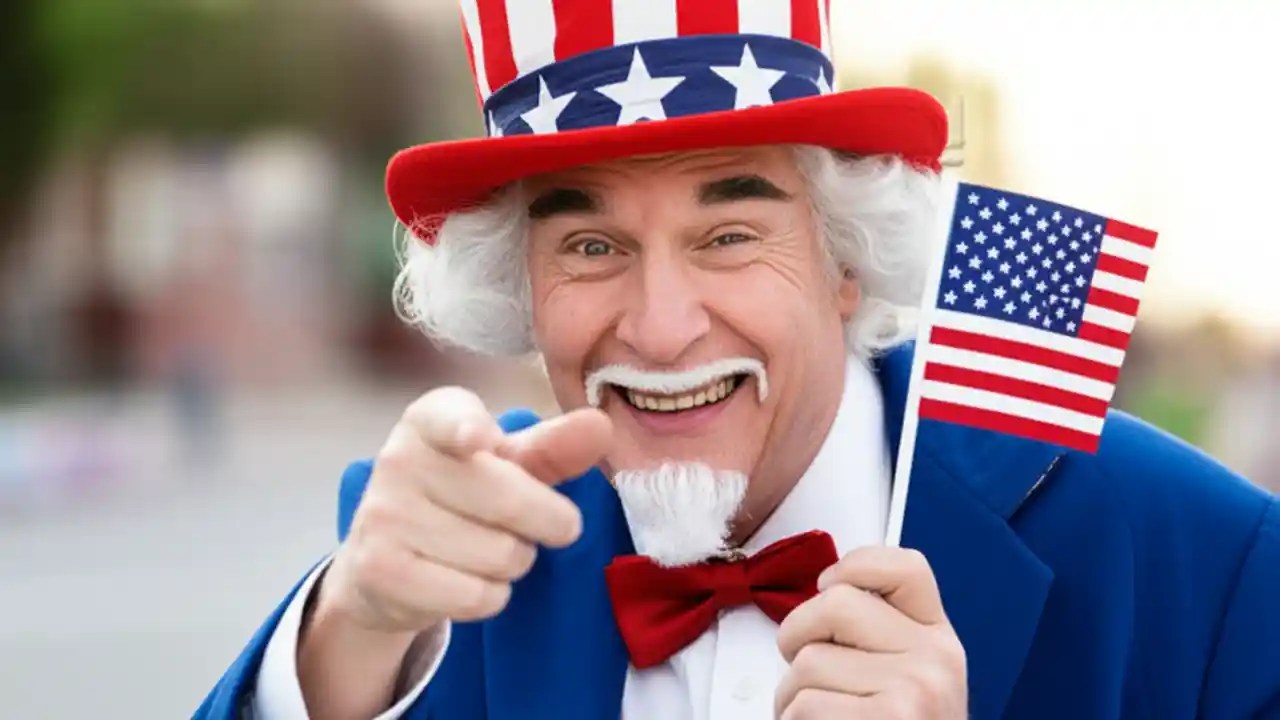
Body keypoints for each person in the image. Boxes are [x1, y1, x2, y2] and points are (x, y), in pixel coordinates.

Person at [198, 2, 1280, 718]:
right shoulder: (444, 560)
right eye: (589, 247)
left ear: (843, 261)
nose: (661, 328)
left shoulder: (1205, 558)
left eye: (727, 235)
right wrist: (347, 630)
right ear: (521, 291)